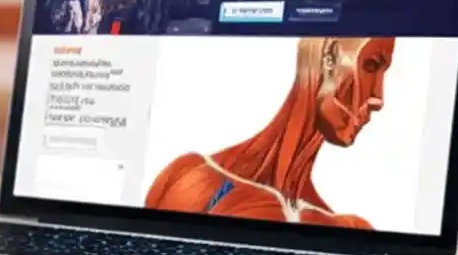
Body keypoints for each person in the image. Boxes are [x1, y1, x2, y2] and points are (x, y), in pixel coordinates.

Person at [145, 37, 394, 229]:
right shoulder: (189, 175)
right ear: (329, 57)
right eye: (370, 65)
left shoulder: (347, 228)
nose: (378, 99)